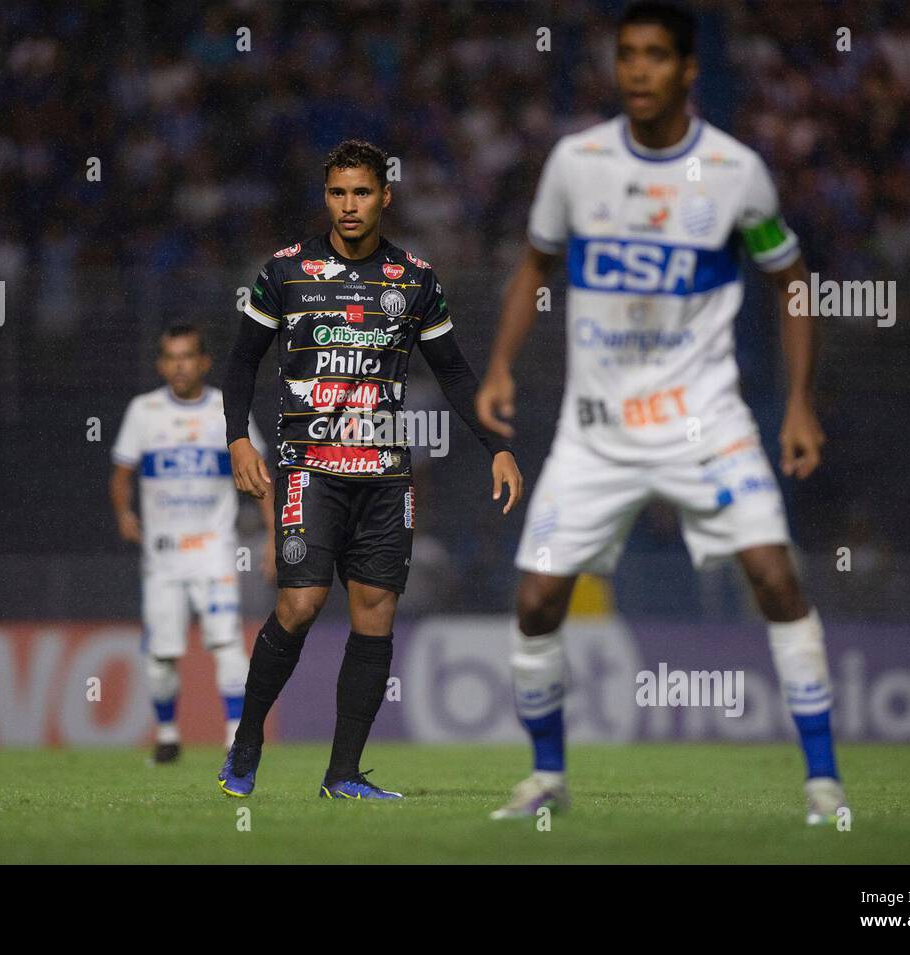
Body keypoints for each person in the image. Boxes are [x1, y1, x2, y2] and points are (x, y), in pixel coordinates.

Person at [475, 1, 847, 825]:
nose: (636, 70)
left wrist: (799, 404)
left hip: (706, 421)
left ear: (687, 70)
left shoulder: (735, 170)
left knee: (777, 579)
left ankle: (824, 784)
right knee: (536, 598)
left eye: (654, 56)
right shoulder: (576, 161)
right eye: (626, 55)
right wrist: (499, 364)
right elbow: (533, 266)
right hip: (597, 429)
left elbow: (792, 282)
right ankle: (547, 777)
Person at [219, 139, 521, 799]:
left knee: (375, 615)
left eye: (361, 192)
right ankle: (247, 739)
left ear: (385, 195)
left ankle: (342, 774)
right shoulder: (286, 271)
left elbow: (455, 372)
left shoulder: (414, 279)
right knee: (299, 603)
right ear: (326, 197)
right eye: (337, 192)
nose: (349, 205)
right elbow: (242, 362)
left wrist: (495, 443)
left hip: (386, 474)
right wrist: (237, 439)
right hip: (311, 469)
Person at [111, 324, 274, 764]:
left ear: (204, 362)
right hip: (163, 555)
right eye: (170, 357)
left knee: (227, 644)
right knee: (161, 653)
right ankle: (167, 736)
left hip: (214, 549)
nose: (179, 365)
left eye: (187, 356)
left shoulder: (226, 408)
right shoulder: (143, 411)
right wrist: (125, 512)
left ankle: (234, 739)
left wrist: (274, 537)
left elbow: (259, 474)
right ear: (161, 364)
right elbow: (122, 474)